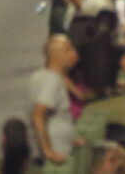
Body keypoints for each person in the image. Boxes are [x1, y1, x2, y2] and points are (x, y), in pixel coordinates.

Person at [30, 35, 83, 174]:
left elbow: (53, 116)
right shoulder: (52, 80)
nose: (74, 54)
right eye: (69, 50)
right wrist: (48, 151)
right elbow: (38, 115)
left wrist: (70, 139)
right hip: (56, 161)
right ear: (57, 56)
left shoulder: (44, 76)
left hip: (58, 150)